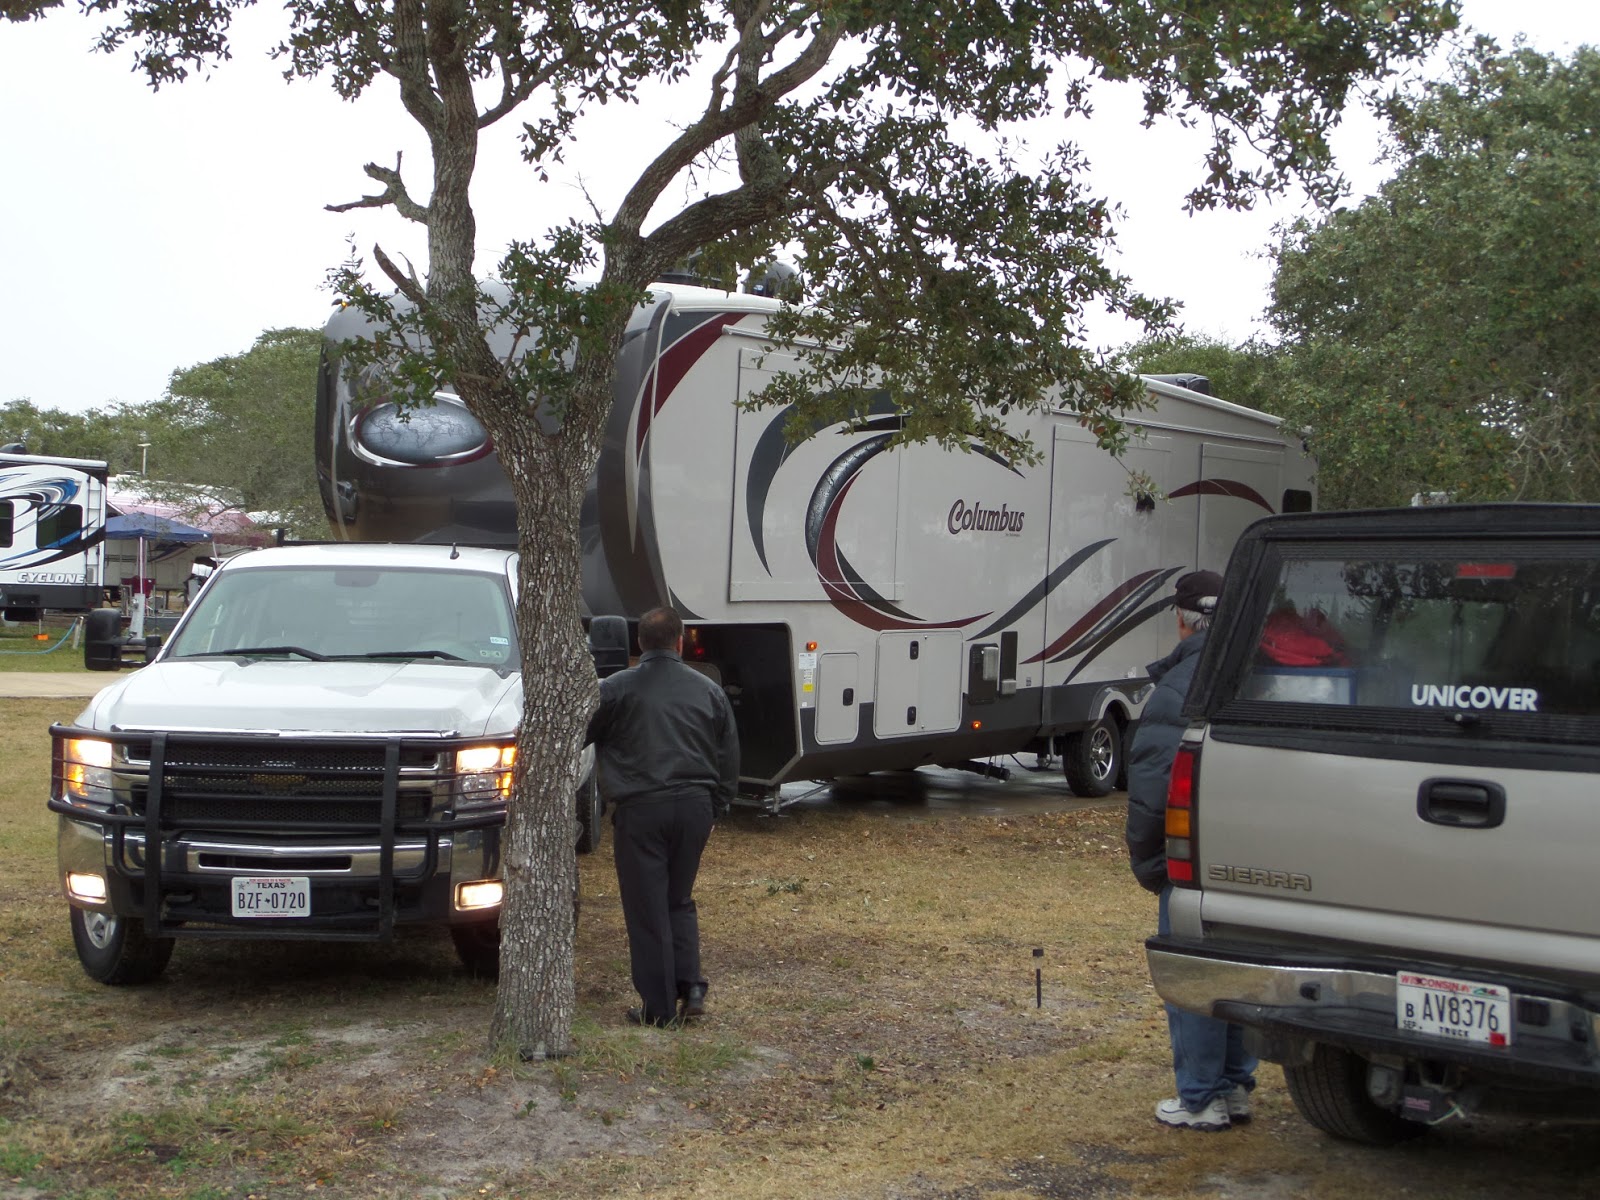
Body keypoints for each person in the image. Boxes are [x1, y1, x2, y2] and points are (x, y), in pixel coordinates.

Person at [1125, 569, 1258, 1131]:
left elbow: (1152, 788)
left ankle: (1201, 1099)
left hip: (1193, 858)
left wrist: (1150, 863)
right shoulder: (1258, 674)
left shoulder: (1178, 687)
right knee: (1241, 972)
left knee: (1194, 976)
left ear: (1182, 622)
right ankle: (1234, 1086)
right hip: (1255, 856)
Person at [585, 607, 740, 1027]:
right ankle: (692, 988)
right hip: (695, 805)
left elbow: (578, 735)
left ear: (639, 643)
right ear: (681, 642)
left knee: (646, 907)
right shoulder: (708, 690)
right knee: (679, 898)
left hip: (641, 806)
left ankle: (658, 1008)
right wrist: (717, 805)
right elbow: (728, 755)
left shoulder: (615, 690)